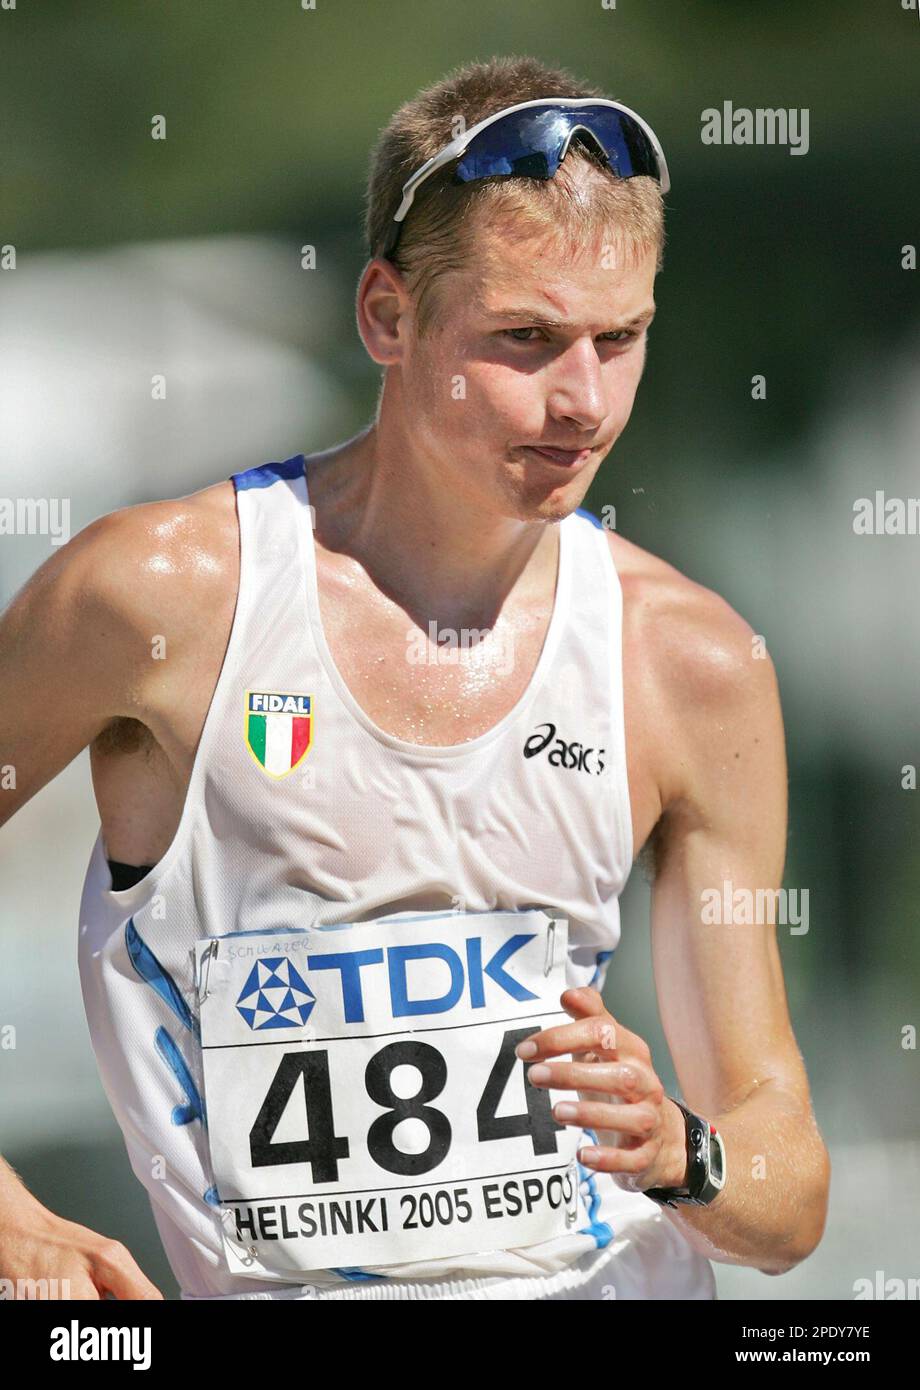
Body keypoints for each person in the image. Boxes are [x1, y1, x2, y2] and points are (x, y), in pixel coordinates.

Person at [0, 54, 830, 1301]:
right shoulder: (157, 597)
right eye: (525, 338)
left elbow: (788, 1194)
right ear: (386, 316)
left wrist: (681, 1151)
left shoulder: (688, 662)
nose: (583, 401)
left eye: (622, 338)